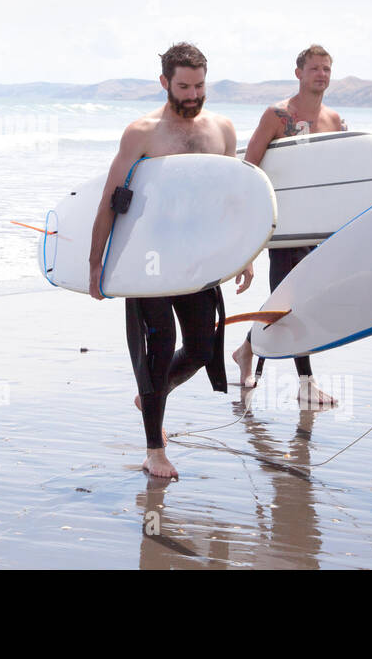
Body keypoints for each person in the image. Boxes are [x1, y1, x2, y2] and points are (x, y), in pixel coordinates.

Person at [89, 42, 253, 479]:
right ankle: (154, 448)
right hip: (150, 257)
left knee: (201, 347)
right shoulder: (142, 133)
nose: (193, 95)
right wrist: (95, 264)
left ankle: (153, 394)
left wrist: (246, 251)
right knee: (157, 348)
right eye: (183, 86)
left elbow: (233, 197)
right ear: (165, 82)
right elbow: (111, 198)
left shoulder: (222, 130)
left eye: (199, 86)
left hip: (200, 257)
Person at [231, 44, 343, 406]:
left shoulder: (335, 122)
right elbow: (250, 175)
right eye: (314, 69)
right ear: (299, 73)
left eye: (326, 69)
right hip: (282, 229)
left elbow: (340, 180)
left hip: (315, 229)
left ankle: (247, 349)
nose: (321, 75)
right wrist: (248, 243)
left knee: (294, 303)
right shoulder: (277, 116)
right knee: (288, 304)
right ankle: (306, 384)